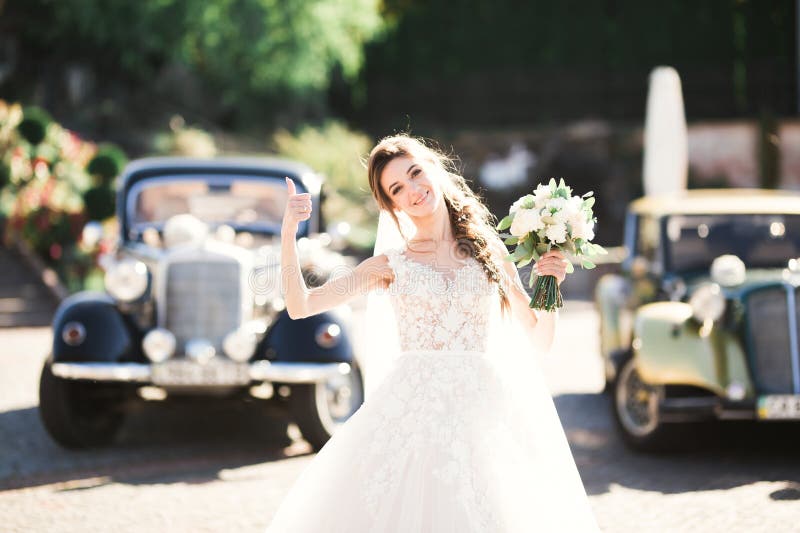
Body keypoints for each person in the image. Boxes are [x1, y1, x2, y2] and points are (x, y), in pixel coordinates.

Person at [268, 134, 599, 532]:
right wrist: (289, 232)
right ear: (391, 205)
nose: (413, 190)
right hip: (412, 417)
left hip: (485, 415)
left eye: (415, 173)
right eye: (396, 189)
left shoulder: (489, 252)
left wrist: (550, 285)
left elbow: (540, 339)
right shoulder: (389, 264)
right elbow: (301, 305)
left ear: (434, 170)